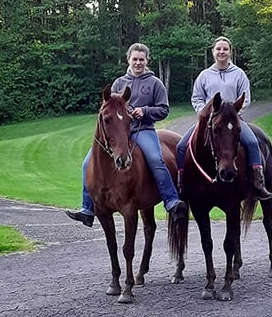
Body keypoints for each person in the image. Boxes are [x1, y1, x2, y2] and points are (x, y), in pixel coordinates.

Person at [66, 43, 188, 227]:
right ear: (128, 59)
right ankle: (87, 208)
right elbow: (110, 108)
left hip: (143, 129)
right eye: (135, 59)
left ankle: (171, 200)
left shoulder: (155, 83)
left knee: (156, 159)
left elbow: (164, 109)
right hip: (120, 132)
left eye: (141, 59)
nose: (138, 63)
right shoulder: (119, 83)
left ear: (147, 61)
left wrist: (145, 111)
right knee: (86, 163)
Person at [176, 36, 272, 200]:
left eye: (225, 49)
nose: (221, 52)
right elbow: (197, 98)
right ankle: (181, 182)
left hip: (233, 121)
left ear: (230, 52)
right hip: (210, 121)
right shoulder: (204, 75)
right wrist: (204, 113)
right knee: (181, 146)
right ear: (213, 52)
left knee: (252, 142)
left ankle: (258, 181)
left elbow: (245, 98)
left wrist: (233, 112)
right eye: (218, 49)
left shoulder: (239, 74)